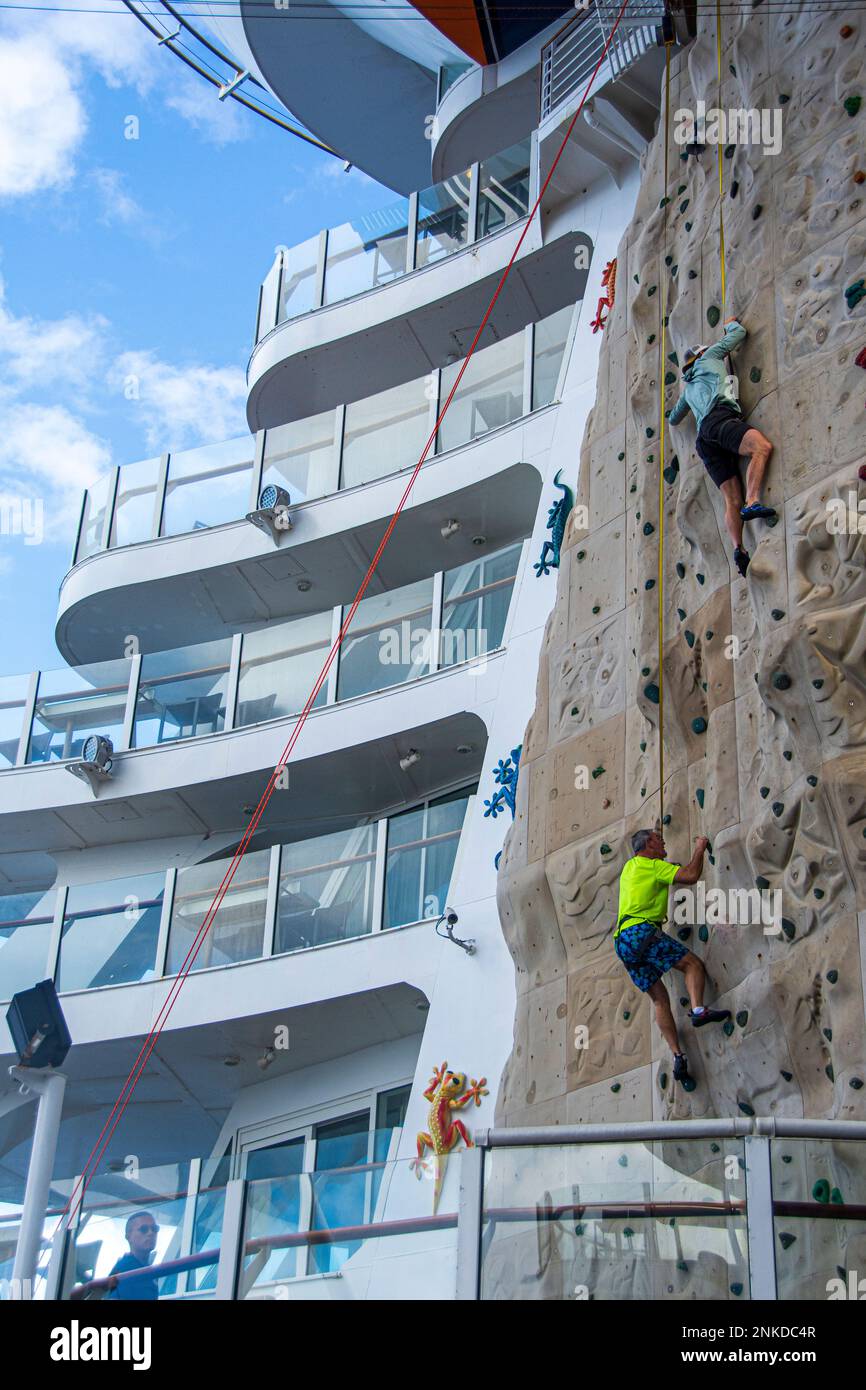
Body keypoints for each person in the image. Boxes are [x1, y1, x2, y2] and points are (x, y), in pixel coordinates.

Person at [614, 828, 730, 1089]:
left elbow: (662, 875)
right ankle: (698, 1010)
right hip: (641, 931)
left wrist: (670, 866)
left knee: (659, 999)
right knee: (693, 965)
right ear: (648, 844)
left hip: (623, 941)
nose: (663, 841)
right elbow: (690, 875)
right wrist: (699, 848)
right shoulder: (653, 866)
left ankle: (678, 1055)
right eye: (658, 839)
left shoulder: (630, 868)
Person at [667, 318, 776, 578]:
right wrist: (729, 324)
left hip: (704, 440)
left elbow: (674, 418)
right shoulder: (709, 356)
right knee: (761, 447)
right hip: (720, 418)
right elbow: (738, 334)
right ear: (702, 354)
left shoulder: (687, 390)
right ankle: (753, 501)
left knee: (730, 498)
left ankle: (739, 549)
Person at [106, 1210, 160, 1301]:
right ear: (128, 1236)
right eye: (144, 1229)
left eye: (154, 1228)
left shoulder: (151, 1272)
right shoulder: (122, 1270)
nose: (151, 1233)